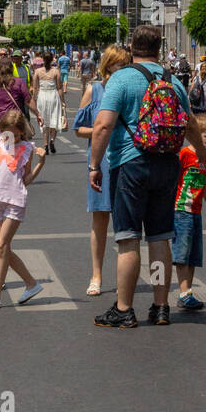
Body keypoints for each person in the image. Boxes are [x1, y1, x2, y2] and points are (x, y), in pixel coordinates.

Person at [88, 25, 206, 329]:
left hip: (131, 165)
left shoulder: (122, 78)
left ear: (132, 47)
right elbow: (191, 123)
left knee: (128, 238)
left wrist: (94, 164)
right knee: (159, 238)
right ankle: (160, 306)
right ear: (159, 48)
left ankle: (124, 308)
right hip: (166, 165)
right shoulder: (173, 82)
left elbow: (103, 125)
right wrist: (201, 155)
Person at [0, 109, 47, 310]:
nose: (13, 139)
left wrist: (41, 163)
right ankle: (31, 284)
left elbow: (26, 180)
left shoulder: (27, 148)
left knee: (0, 247)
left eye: (16, 135)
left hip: (16, 201)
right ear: (2, 131)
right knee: (3, 249)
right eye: (9, 134)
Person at [75, 44, 131, 296]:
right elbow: (79, 128)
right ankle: (96, 276)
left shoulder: (130, 90)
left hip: (128, 159)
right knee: (100, 219)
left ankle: (126, 275)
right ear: (107, 66)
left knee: (127, 222)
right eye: (118, 64)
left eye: (125, 64)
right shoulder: (94, 90)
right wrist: (100, 129)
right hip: (100, 161)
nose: (122, 69)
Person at [163, 113, 206, 311]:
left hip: (196, 211)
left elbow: (204, 184)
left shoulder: (203, 158)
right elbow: (172, 179)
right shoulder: (185, 154)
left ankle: (187, 294)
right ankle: (184, 293)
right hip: (181, 210)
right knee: (182, 252)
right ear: (195, 135)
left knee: (194, 254)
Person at [32, 50, 65, 154]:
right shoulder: (56, 71)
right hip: (53, 96)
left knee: (43, 121)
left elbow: (35, 88)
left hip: (42, 96)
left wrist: (34, 100)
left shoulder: (37, 72)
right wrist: (63, 101)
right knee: (54, 118)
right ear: (52, 60)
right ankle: (52, 141)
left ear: (42, 59)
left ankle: (45, 144)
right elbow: (60, 87)